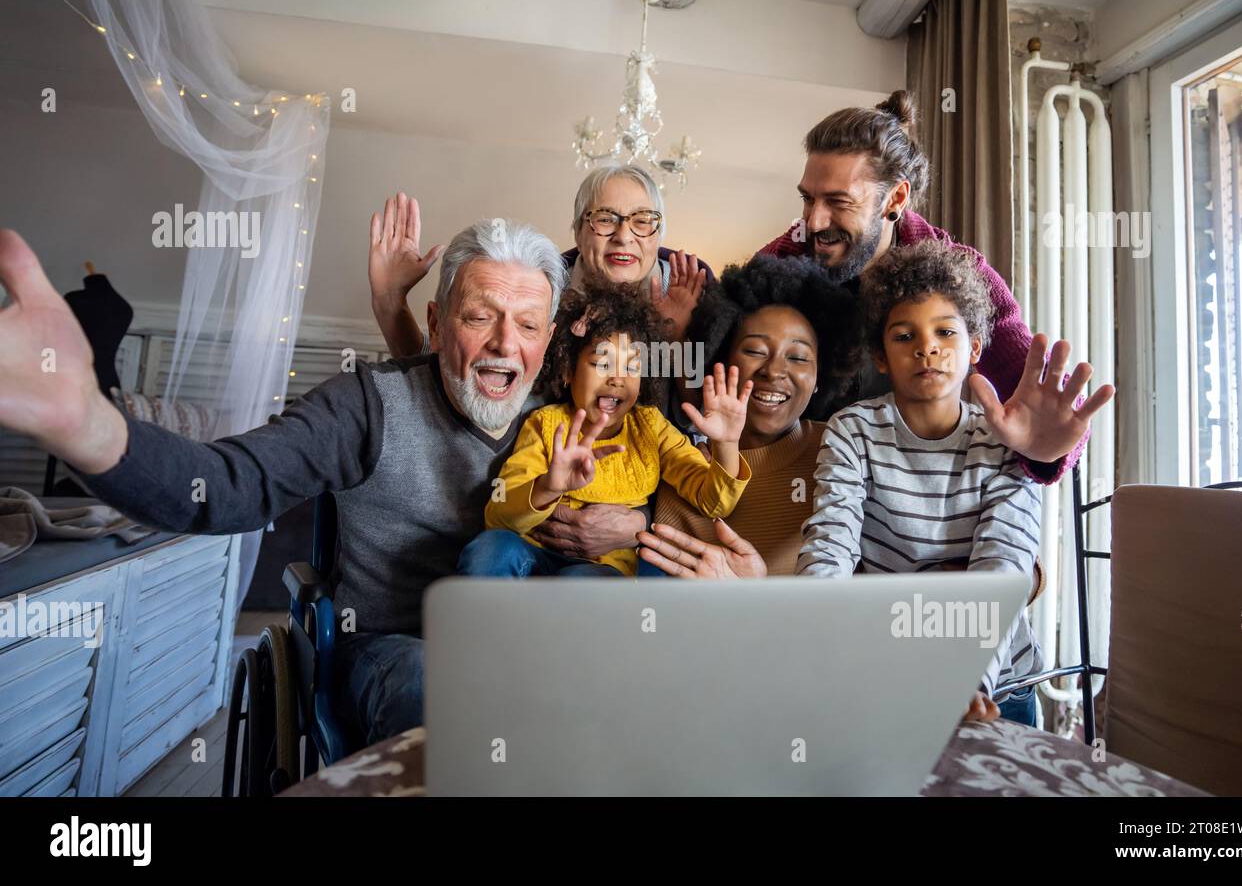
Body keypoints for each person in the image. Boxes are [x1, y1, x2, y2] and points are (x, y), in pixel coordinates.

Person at [0, 220, 567, 746]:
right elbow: (230, 482)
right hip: (389, 649)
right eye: (479, 317)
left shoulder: (568, 419)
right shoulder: (369, 404)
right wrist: (86, 423)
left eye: (527, 324)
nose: (504, 343)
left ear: (549, 339)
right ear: (438, 324)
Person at [756, 92, 1114, 486]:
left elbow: (1043, 396)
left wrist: (1050, 451)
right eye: (808, 199)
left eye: (839, 202)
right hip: (804, 484)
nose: (816, 221)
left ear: (895, 198)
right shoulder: (783, 259)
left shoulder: (961, 274)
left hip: (914, 494)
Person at [368, 166, 713, 565]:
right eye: (605, 218)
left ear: (659, 232)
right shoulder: (536, 282)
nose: (624, 235)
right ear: (579, 229)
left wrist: (640, 523)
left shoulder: (685, 288)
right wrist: (389, 303)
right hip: (517, 500)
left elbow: (692, 421)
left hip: (625, 518)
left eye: (643, 220)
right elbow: (445, 373)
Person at [796, 240, 1049, 726]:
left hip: (994, 677)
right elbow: (831, 542)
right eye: (904, 335)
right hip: (890, 663)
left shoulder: (1003, 440)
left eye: (945, 332)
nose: (926, 347)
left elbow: (1004, 563)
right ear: (881, 356)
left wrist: (967, 677)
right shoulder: (854, 430)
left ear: (974, 347)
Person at [460, 284, 752, 578]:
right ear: (568, 371)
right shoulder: (545, 424)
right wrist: (548, 486)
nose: (617, 378)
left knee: (580, 582)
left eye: (632, 367)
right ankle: (486, 622)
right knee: (491, 546)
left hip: (603, 571)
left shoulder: (651, 427)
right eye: (602, 363)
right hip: (533, 557)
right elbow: (498, 516)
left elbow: (713, 501)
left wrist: (726, 443)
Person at [640, 255, 864, 577]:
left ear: (820, 378)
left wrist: (752, 596)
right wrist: (678, 339)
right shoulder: (685, 466)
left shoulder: (842, 456)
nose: (773, 371)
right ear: (720, 357)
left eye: (798, 357)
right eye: (755, 351)